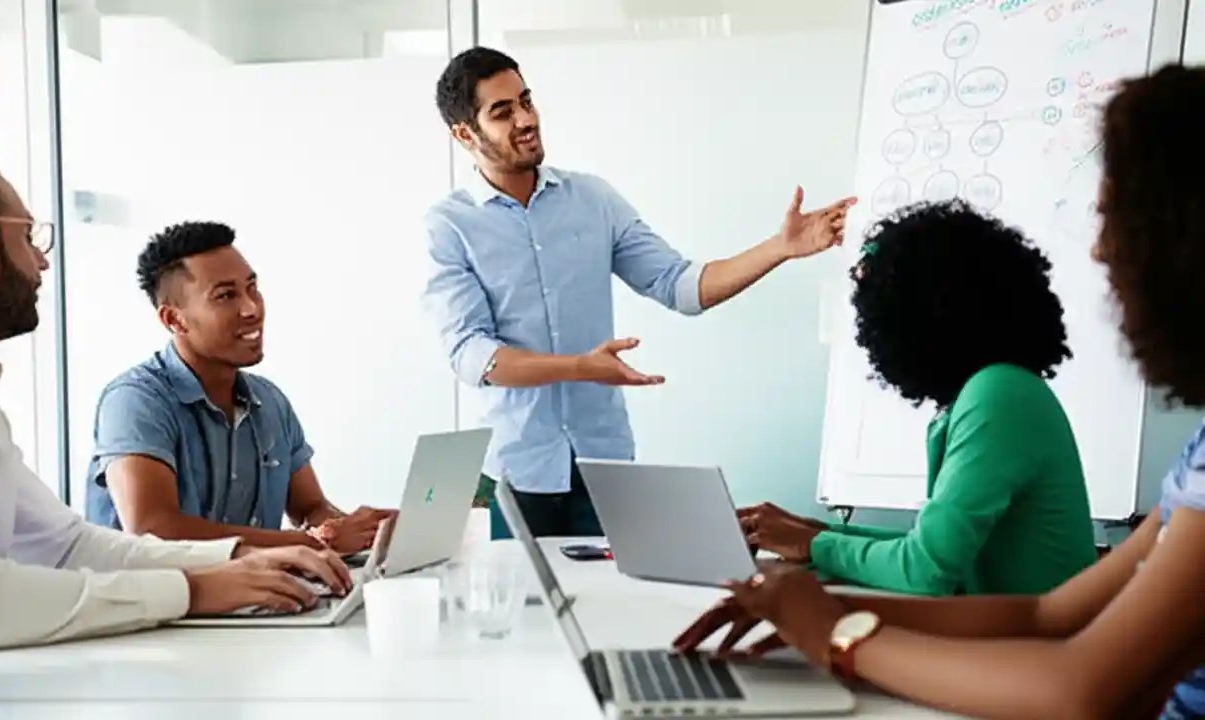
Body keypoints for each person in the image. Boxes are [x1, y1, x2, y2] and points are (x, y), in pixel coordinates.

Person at [674, 64, 1205, 720]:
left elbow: (1082, 688)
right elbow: (1050, 613)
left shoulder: (1001, 394)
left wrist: (836, 636)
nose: (1099, 251)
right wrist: (824, 607)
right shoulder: (1198, 455)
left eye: (1115, 217)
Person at [0, 148, 352, 652]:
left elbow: (68, 547)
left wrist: (236, 558)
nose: (42, 259)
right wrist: (191, 589)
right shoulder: (134, 397)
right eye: (27, 236)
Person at [423, 46, 857, 538]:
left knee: (614, 607)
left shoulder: (592, 199)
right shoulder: (449, 225)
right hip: (514, 474)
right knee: (523, 610)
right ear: (464, 133)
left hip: (603, 464)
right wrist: (581, 368)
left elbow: (681, 286)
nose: (526, 119)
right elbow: (470, 355)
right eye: (503, 112)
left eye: (526, 101)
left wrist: (781, 247)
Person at [735, 199, 1096, 596]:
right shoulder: (996, 389)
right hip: (1008, 634)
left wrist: (813, 544)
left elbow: (926, 570)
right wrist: (816, 533)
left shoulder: (999, 394)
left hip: (1031, 649)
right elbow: (929, 550)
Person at [84, 221, 394, 554]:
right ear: (174, 320)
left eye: (252, 288)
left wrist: (360, 532)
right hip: (156, 603)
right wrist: (310, 543)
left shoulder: (270, 401)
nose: (251, 308)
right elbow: (153, 529)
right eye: (225, 296)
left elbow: (310, 508)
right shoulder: (135, 401)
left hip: (256, 599)